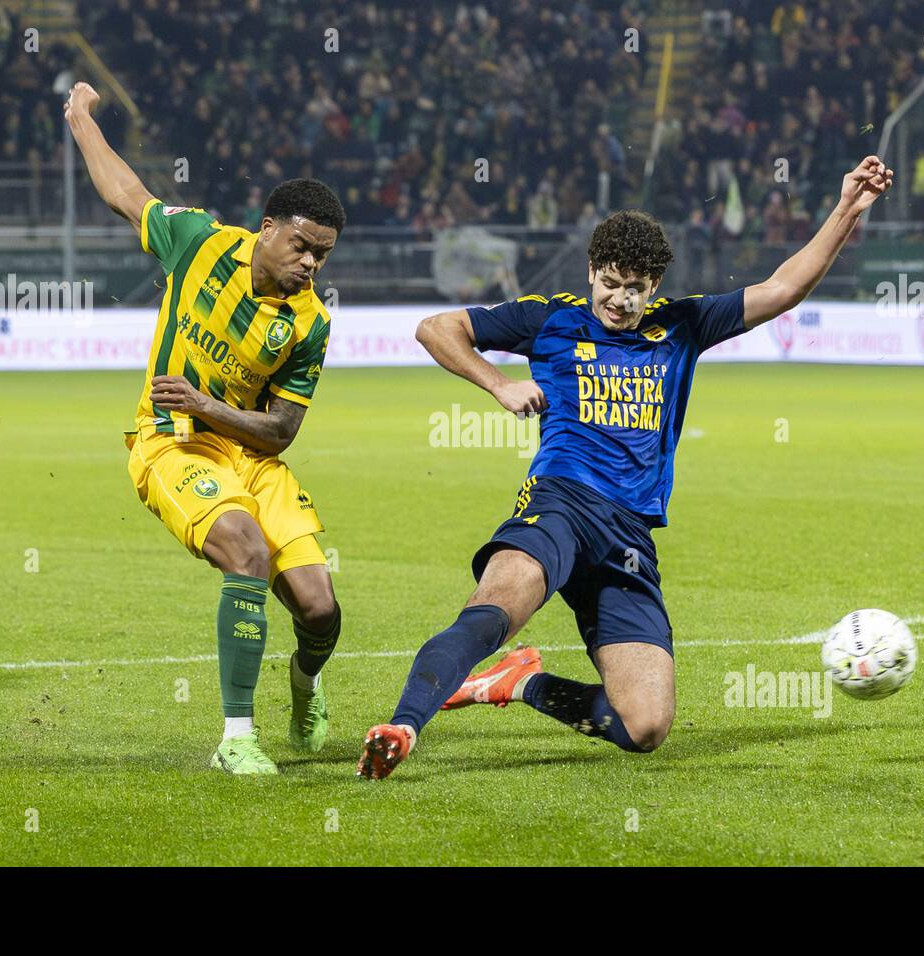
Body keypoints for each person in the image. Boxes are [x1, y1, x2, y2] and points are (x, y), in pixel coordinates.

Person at [357, 156, 893, 779]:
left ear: (655, 285)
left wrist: (848, 207)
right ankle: (402, 726)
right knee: (495, 608)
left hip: (629, 535)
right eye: (611, 282)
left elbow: (782, 289)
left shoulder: (683, 325)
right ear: (592, 272)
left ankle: (520, 684)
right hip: (560, 501)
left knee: (644, 727)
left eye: (637, 287)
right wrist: (499, 384)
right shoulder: (551, 318)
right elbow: (437, 327)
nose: (621, 299)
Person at [63, 81, 346, 775]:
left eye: (323, 256)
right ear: (268, 228)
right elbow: (125, 193)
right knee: (245, 551)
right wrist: (80, 121)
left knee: (320, 610)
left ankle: (305, 687)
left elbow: (280, 432)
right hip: (171, 443)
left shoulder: (311, 322)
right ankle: (236, 738)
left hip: (246, 450)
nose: (311, 265)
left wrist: (208, 404)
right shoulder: (199, 242)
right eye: (304, 247)